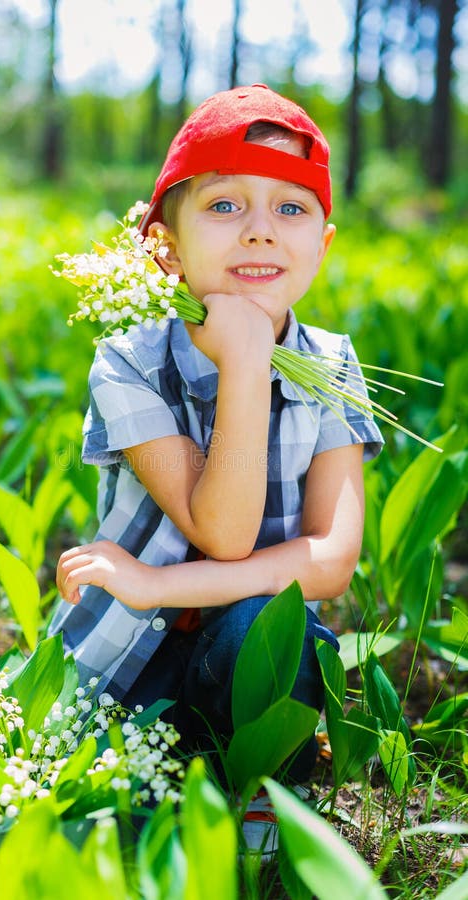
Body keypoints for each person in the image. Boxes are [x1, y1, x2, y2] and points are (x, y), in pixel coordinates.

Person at [51, 83, 383, 855]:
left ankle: (269, 786)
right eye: (226, 206)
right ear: (163, 246)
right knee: (112, 818)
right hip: (133, 656)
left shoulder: (330, 364)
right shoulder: (128, 362)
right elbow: (226, 533)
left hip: (247, 643)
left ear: (323, 244)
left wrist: (161, 580)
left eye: (290, 210)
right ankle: (179, 777)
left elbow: (330, 561)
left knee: (277, 626)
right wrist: (243, 362)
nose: (261, 233)